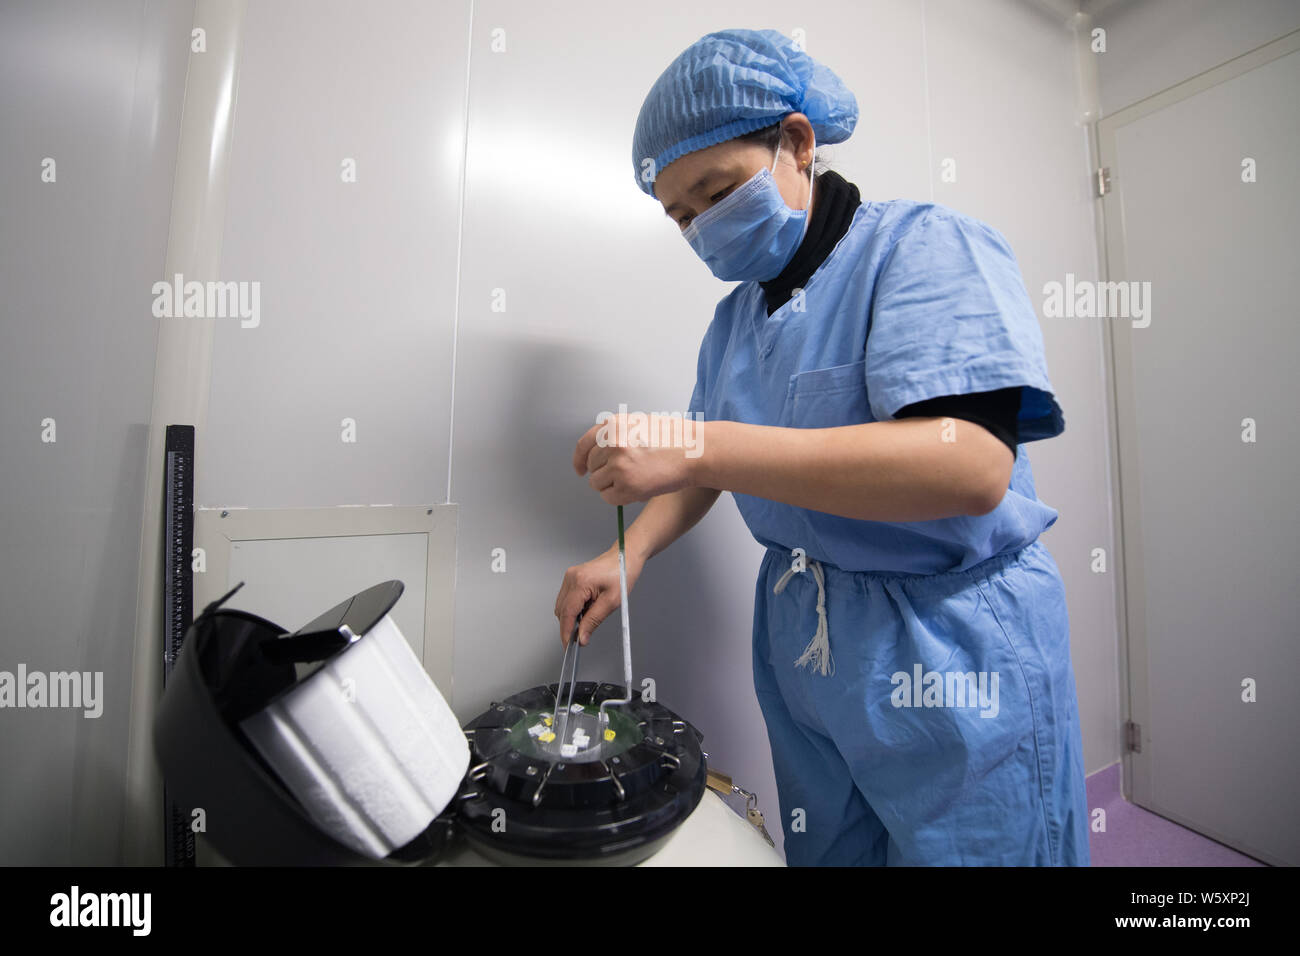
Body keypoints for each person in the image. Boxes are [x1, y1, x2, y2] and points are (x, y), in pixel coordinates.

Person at [554, 28, 1089, 866]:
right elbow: (705, 467)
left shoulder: (921, 247)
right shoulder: (736, 320)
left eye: (715, 190)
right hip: (807, 639)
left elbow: (972, 465)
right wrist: (632, 554)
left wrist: (698, 447)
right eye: (680, 215)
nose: (701, 227)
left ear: (796, 144)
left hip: (949, 645)